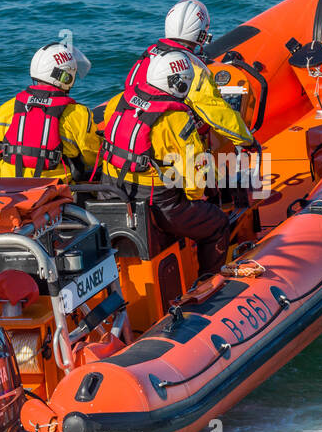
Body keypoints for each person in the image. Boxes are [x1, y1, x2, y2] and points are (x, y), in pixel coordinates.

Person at [98, 48, 230, 279]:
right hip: (158, 204)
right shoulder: (176, 118)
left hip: (110, 192)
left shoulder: (121, 101)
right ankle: (209, 283)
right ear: (179, 84)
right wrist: (199, 196)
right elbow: (196, 174)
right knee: (217, 223)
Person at [125, 0, 256, 150]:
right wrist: (248, 140)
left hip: (133, 133)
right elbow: (216, 113)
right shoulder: (191, 68)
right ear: (201, 35)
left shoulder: (148, 55)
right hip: (166, 143)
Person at [0, 42, 99, 181]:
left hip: (7, 192)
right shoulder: (78, 114)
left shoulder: (5, 110)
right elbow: (93, 157)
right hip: (55, 193)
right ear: (66, 76)